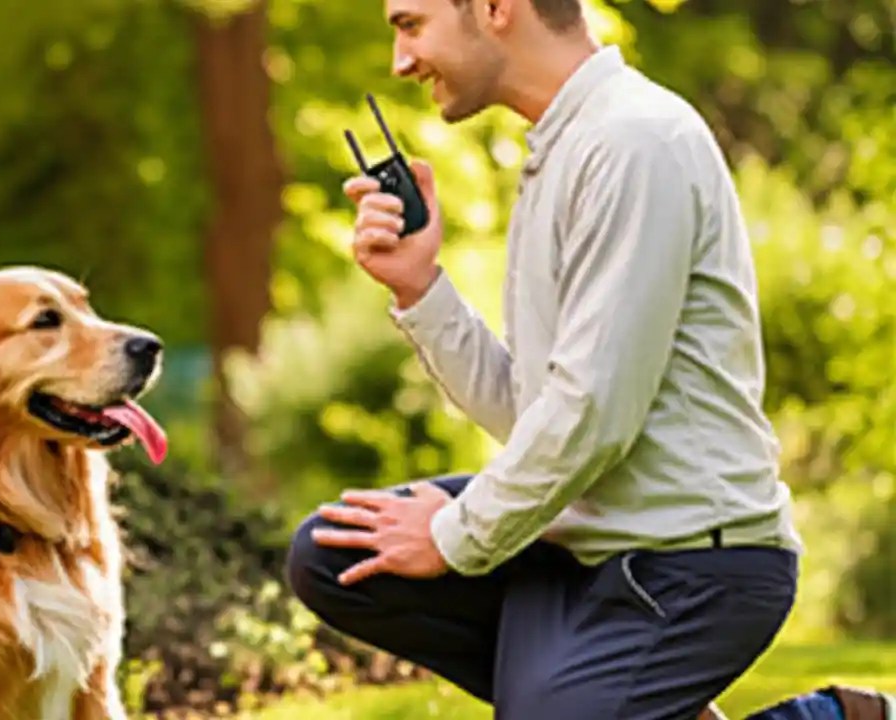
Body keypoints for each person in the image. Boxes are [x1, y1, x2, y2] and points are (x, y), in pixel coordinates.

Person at [284, 0, 819, 717]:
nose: (401, 61)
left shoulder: (634, 142)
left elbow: (595, 413)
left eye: (411, 25)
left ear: (497, 8)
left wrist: (455, 534)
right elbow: (537, 411)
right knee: (334, 557)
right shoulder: (560, 151)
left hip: (692, 565)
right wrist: (419, 288)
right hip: (579, 540)